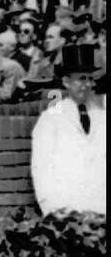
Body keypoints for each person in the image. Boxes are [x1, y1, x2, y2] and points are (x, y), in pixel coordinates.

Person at [30, 44, 105, 215]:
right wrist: (52, 207)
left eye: (89, 78)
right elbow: (41, 167)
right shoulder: (51, 119)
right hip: (67, 211)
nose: (86, 85)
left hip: (101, 209)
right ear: (66, 82)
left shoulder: (102, 116)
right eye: (81, 79)